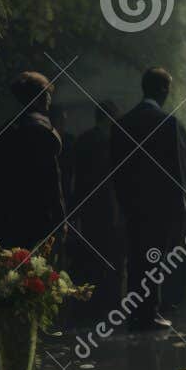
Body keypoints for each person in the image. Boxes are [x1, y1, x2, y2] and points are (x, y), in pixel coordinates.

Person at [112, 67, 186, 330]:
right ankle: (150, 310)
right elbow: (176, 170)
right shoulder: (168, 123)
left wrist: (123, 202)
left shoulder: (123, 123)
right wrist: (181, 206)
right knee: (155, 256)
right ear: (161, 90)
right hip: (161, 205)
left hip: (133, 204)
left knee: (135, 256)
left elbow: (117, 170)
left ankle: (135, 309)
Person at [0, 71, 67, 251]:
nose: (49, 99)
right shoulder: (45, 132)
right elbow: (53, 180)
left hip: (7, 216)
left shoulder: (4, 131)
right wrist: (60, 220)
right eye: (47, 94)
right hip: (39, 218)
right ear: (39, 97)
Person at [69, 102, 124, 304]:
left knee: (93, 254)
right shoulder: (111, 142)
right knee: (110, 254)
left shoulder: (83, 140)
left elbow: (76, 178)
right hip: (107, 208)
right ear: (110, 118)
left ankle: (92, 298)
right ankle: (108, 299)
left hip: (89, 208)